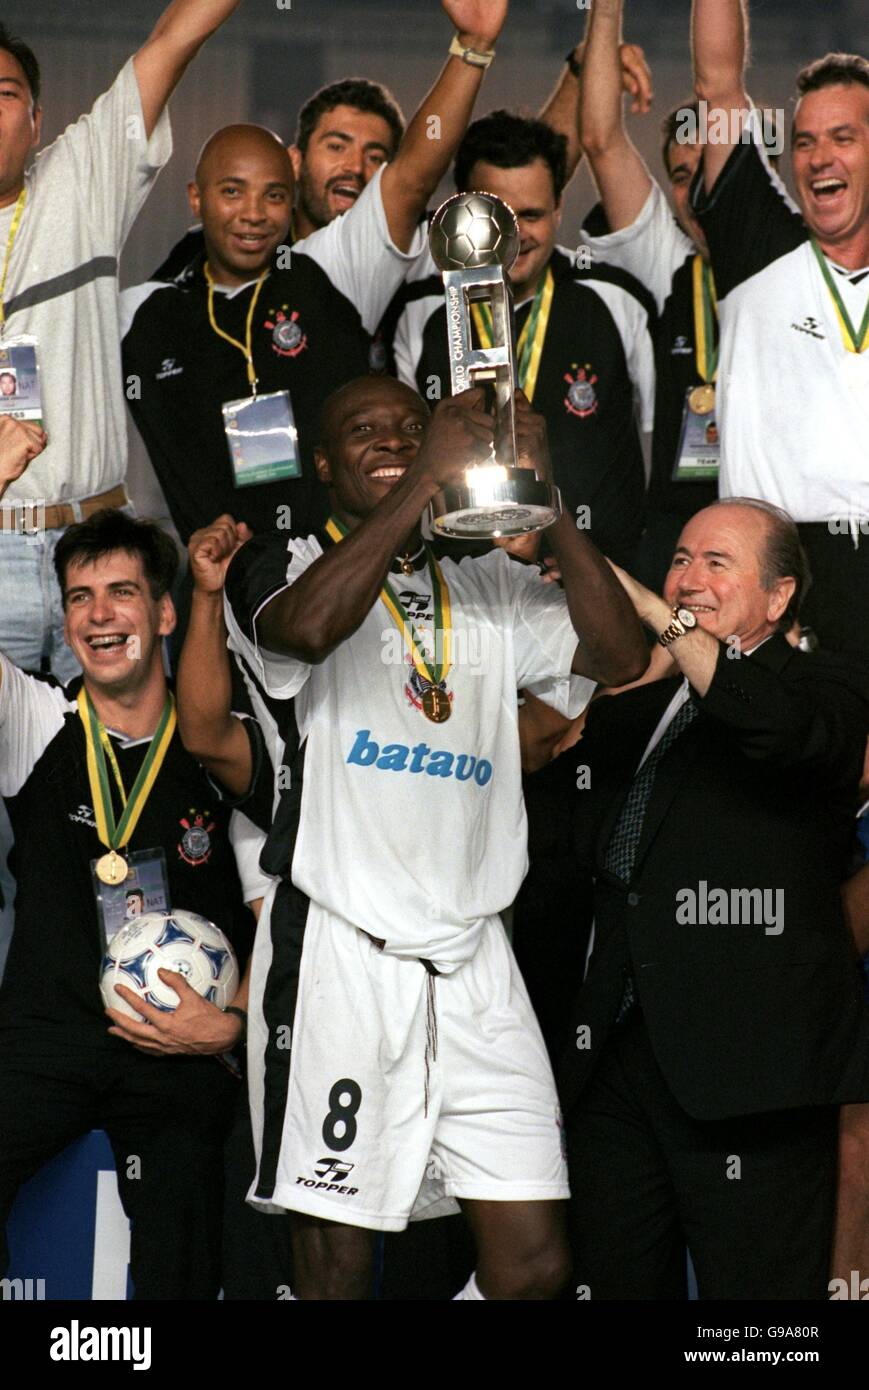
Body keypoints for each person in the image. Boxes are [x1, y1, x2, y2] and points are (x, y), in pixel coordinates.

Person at [189, 375, 647, 1300]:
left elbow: (620, 655)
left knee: (534, 1263)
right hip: (341, 951)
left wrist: (544, 501)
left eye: (411, 427)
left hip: (477, 959)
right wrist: (423, 478)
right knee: (336, 1265)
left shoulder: (488, 579)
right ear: (320, 461)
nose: (393, 440)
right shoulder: (276, 562)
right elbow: (309, 631)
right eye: (364, 430)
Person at [559, 497, 869, 1299]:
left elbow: (763, 722)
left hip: (749, 1072)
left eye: (715, 564)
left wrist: (663, 621)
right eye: (679, 561)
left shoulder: (828, 684)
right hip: (617, 1058)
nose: (688, 579)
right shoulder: (643, 698)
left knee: (757, 1329)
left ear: (778, 597)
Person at [121, 0, 513, 548]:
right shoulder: (139, 312)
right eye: (232, 192)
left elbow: (411, 178)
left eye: (273, 196)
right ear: (195, 198)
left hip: (342, 566)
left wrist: (472, 50)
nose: (254, 213)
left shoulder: (325, 269)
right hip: (217, 578)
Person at [0, 509, 263, 1299]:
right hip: (47, 1041)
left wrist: (231, 1027)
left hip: (177, 1047)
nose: (99, 615)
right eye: (79, 597)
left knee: (182, 1215)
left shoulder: (220, 743)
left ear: (164, 611)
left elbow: (278, 910)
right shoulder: (37, 720)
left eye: (121, 592)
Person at [392, 110, 656, 568]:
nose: (512, 236)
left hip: (588, 584)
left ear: (558, 210)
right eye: (497, 215)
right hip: (457, 584)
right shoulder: (420, 311)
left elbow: (656, 442)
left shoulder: (616, 300)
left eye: (531, 215)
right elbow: (408, 461)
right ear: (462, 209)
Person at [689, 0, 869, 659]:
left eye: (842, 137)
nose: (818, 157)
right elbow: (716, 84)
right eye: (803, 140)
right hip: (772, 573)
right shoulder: (755, 245)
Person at [578, 0, 722, 593]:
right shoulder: (670, 261)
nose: (698, 188)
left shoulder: (802, 261)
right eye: (683, 176)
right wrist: (607, 13)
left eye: (714, 164)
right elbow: (602, 139)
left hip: (782, 516)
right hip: (677, 528)